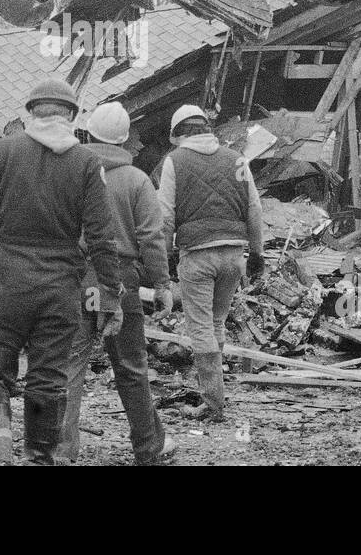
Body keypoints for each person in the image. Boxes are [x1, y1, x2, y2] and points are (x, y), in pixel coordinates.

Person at [0, 79, 124, 465]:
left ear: (30, 112)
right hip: (59, 290)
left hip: (6, 285)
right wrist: (110, 294)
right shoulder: (87, 163)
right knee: (48, 379)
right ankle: (38, 459)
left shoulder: (4, 151)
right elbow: (102, 238)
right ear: (72, 116)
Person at [56, 102, 177, 465]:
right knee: (131, 370)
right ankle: (149, 448)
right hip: (120, 283)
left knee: (67, 369)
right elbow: (152, 239)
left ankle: (60, 452)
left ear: (88, 133)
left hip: (73, 279)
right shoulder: (137, 180)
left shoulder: (67, 174)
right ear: (125, 140)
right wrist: (162, 285)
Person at [157, 104, 264, 421]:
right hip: (234, 256)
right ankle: (214, 392)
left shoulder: (174, 161)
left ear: (177, 135)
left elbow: (165, 217)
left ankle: (214, 403)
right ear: (207, 129)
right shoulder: (237, 159)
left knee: (201, 327)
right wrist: (257, 254)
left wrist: (162, 260)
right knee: (216, 323)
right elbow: (254, 209)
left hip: (198, 256)